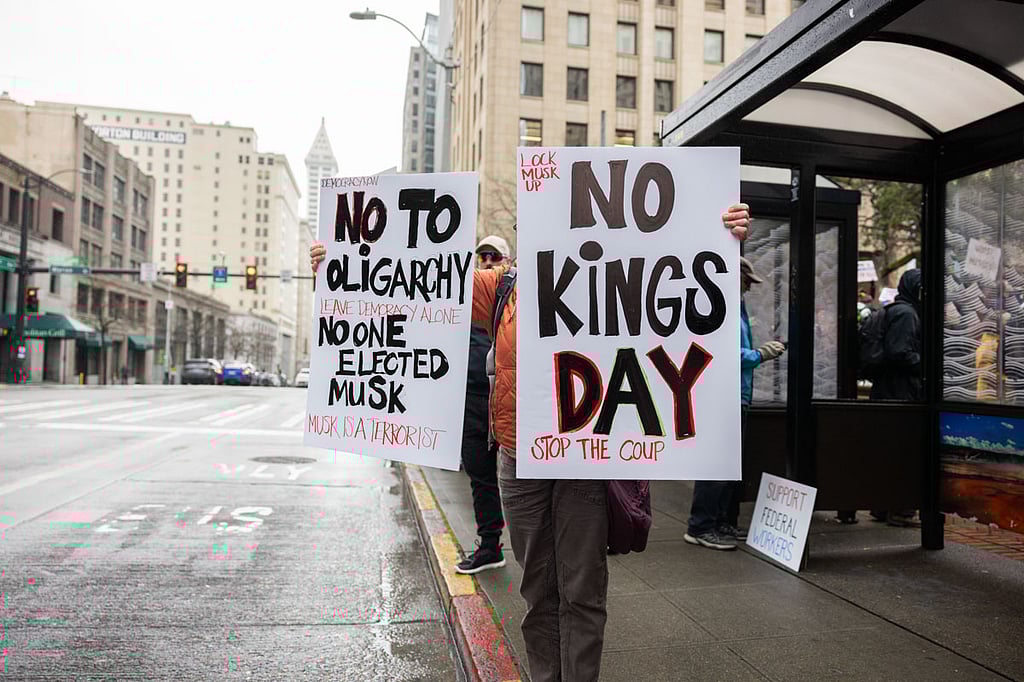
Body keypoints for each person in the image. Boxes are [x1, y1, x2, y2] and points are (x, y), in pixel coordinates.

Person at [311, 204, 752, 682]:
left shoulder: (619, 274)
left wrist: (719, 233)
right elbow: (418, 282)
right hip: (519, 458)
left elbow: (681, 273)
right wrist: (341, 265)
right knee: (538, 587)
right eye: (527, 225)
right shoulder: (502, 287)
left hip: (585, 457)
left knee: (582, 587)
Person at [684, 256, 786, 550]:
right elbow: (722, 353)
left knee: (728, 465)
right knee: (717, 464)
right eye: (746, 282)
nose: (749, 289)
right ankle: (701, 526)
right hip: (723, 395)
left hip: (736, 394)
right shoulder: (720, 309)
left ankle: (717, 521)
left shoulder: (733, 308)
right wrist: (759, 355)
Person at [454, 235, 511, 575]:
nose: (487, 260)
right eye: (482, 256)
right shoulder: (464, 299)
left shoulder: (517, 295)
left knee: (529, 480)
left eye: (495, 256)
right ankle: (490, 546)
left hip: (512, 402)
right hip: (473, 401)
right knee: (481, 475)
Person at [870, 268, 922, 527]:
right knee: (903, 451)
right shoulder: (907, 314)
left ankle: (882, 506)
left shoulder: (897, 309)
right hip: (900, 391)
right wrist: (926, 363)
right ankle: (900, 509)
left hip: (887, 389)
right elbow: (899, 351)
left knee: (886, 451)